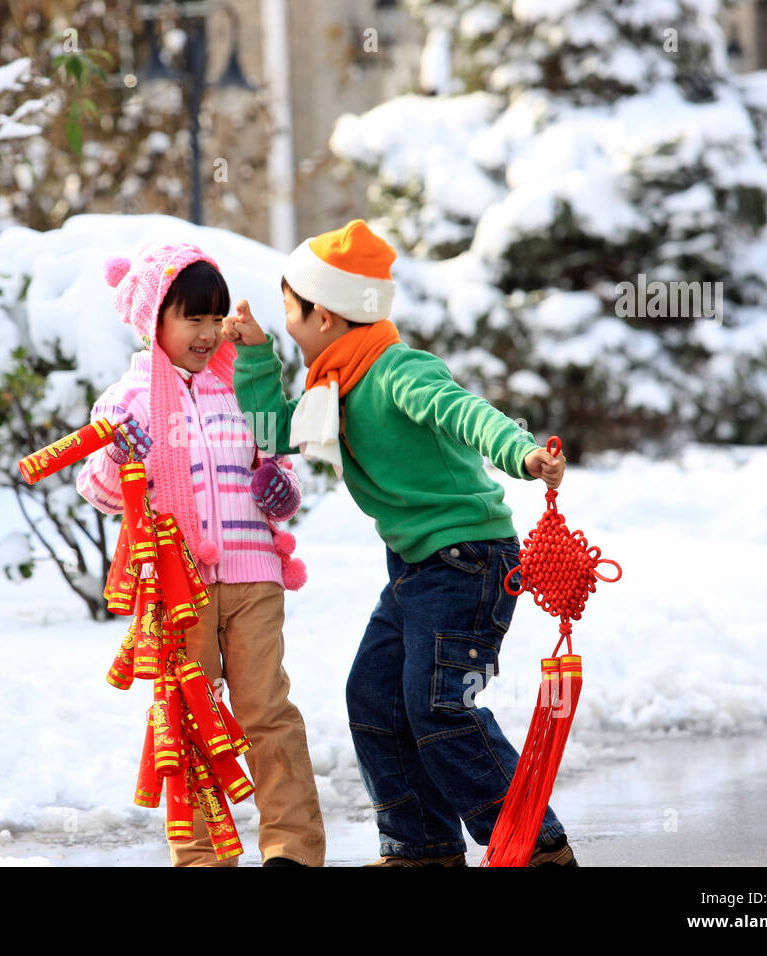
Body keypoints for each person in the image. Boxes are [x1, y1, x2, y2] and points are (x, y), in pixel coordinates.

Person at [223, 219, 576, 867]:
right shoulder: (334, 381)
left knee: (439, 706)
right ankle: (422, 847)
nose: (288, 324)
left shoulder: (393, 370)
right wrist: (252, 355)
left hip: (469, 559)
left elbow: (462, 411)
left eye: (291, 313)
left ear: (324, 316)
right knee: (375, 697)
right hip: (417, 568)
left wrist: (520, 453)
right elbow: (273, 436)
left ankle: (532, 843)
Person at [76, 239, 326, 867]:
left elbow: (278, 470)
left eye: (216, 319)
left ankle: (292, 850)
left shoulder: (238, 388)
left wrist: (278, 486)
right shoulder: (128, 400)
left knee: (266, 711)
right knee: (189, 724)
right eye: (193, 318)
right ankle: (204, 855)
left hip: (253, 577)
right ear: (155, 316)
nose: (209, 333)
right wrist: (119, 452)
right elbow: (100, 493)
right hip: (177, 591)